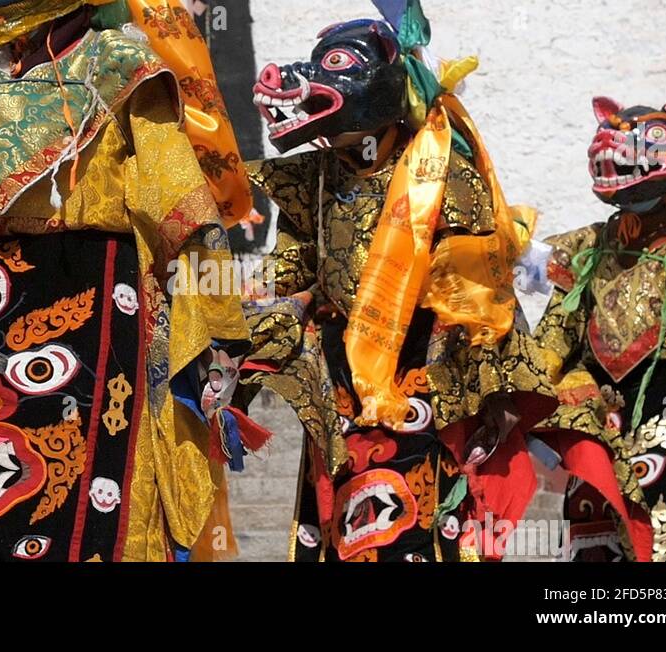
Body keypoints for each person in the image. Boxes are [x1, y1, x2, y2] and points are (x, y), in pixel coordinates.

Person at [0, 0, 252, 562]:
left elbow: (179, 201)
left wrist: (219, 319)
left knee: (83, 504)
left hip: (100, 311)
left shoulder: (120, 63)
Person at [238, 0, 557, 562]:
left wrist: (491, 393)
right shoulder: (314, 182)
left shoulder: (439, 172)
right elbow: (288, 273)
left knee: (408, 523)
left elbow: (478, 292)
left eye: (336, 63)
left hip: (420, 373)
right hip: (338, 379)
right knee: (339, 520)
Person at [531, 94, 666, 562]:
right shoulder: (592, 246)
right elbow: (559, 328)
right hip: (600, 416)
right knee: (595, 538)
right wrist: (523, 396)